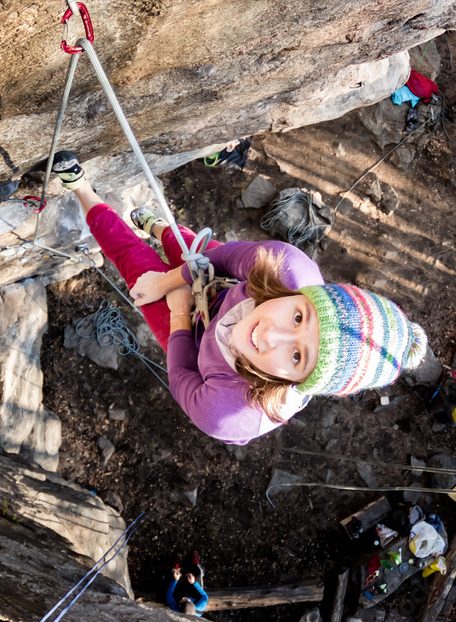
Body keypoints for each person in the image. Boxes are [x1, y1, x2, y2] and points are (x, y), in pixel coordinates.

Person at [51, 152, 428, 445]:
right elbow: (226, 257)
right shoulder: (289, 270)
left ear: (299, 382)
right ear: (304, 295)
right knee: (184, 246)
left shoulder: (230, 412)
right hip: (237, 284)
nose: (270, 336)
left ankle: (81, 189)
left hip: (193, 342)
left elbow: (182, 378)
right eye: (299, 318)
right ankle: (159, 226)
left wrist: (179, 315)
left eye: (297, 357)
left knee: (132, 260)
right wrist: (167, 281)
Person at [166, 552, 209, 616]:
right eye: (186, 600)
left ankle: (176, 567)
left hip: (180, 593)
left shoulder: (175, 608)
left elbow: (169, 595)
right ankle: (195, 563)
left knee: (172, 580)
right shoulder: (201, 606)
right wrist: (194, 582)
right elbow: (205, 596)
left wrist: (175, 580)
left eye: (182, 601)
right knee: (197, 573)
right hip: (194, 595)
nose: (184, 598)